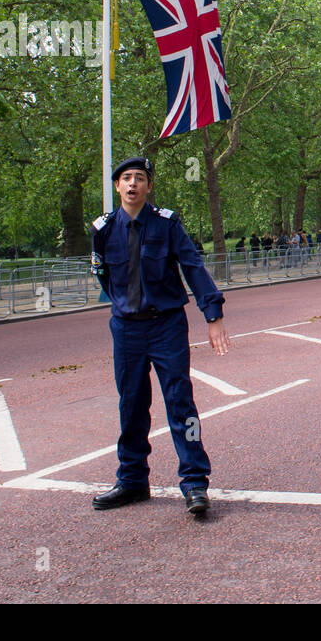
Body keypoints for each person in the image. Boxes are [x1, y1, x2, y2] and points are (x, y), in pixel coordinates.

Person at [89, 157, 230, 515]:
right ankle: (132, 480)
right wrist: (124, 304)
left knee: (180, 402)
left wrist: (212, 314)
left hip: (166, 324)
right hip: (126, 328)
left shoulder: (166, 224)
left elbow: (192, 265)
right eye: (126, 179)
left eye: (139, 178)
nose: (133, 184)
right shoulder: (103, 229)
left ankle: (195, 483)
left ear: (149, 187)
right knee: (131, 404)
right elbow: (103, 274)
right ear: (117, 187)